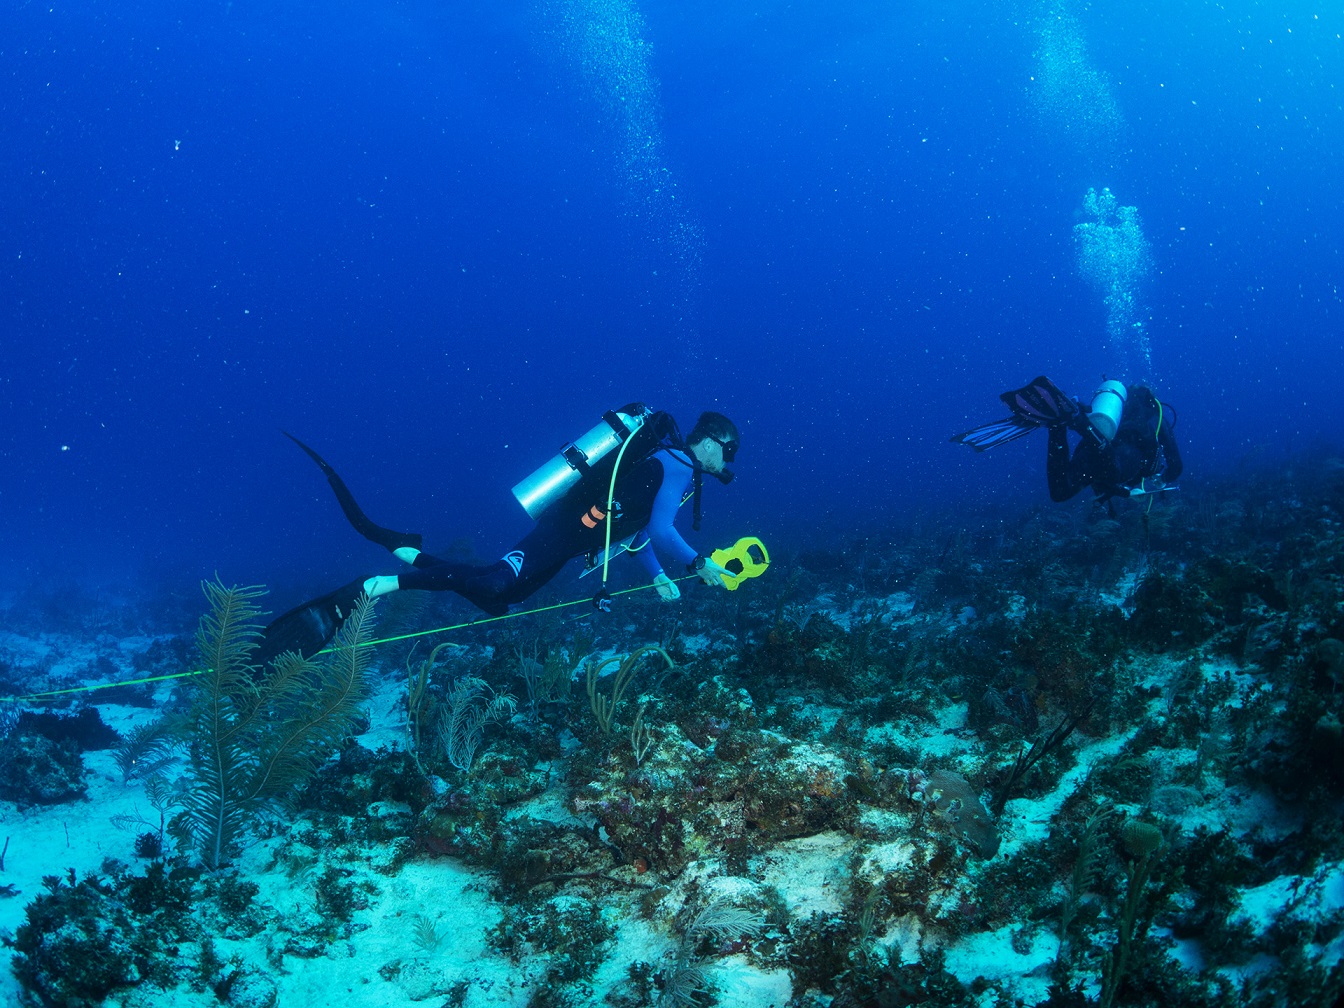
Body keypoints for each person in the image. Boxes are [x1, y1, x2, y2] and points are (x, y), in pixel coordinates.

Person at [257, 404, 740, 664]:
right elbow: (659, 527)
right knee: (493, 584)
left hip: (572, 541)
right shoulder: (677, 466)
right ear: (712, 442)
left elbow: (635, 531)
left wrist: (656, 574)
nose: (728, 463)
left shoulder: (673, 473)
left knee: (499, 599)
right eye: (729, 451)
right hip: (561, 530)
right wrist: (699, 564)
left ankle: (406, 550)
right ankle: (373, 586)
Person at [952, 375, 1182, 505]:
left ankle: (1057, 427)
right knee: (1111, 470)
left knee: (1060, 492)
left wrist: (1120, 491)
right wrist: (1162, 479)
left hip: (1096, 447)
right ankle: (1078, 422)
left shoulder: (1120, 413)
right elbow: (1176, 465)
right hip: (1113, 454)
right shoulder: (1154, 414)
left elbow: (1108, 482)